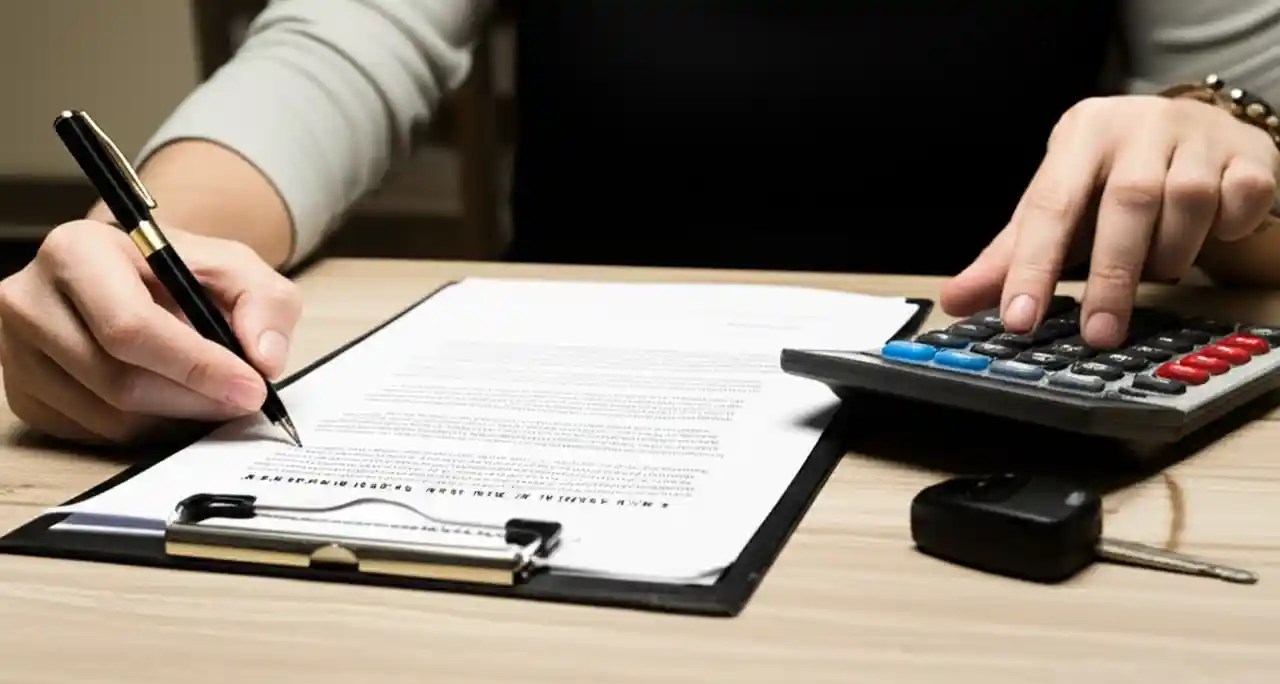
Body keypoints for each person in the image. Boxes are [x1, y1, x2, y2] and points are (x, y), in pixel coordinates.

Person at [3, 0, 1280, 445]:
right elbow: (338, 47)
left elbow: (1240, 107)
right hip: (570, 408)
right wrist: (147, 252)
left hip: (996, 398)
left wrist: (1212, 150)